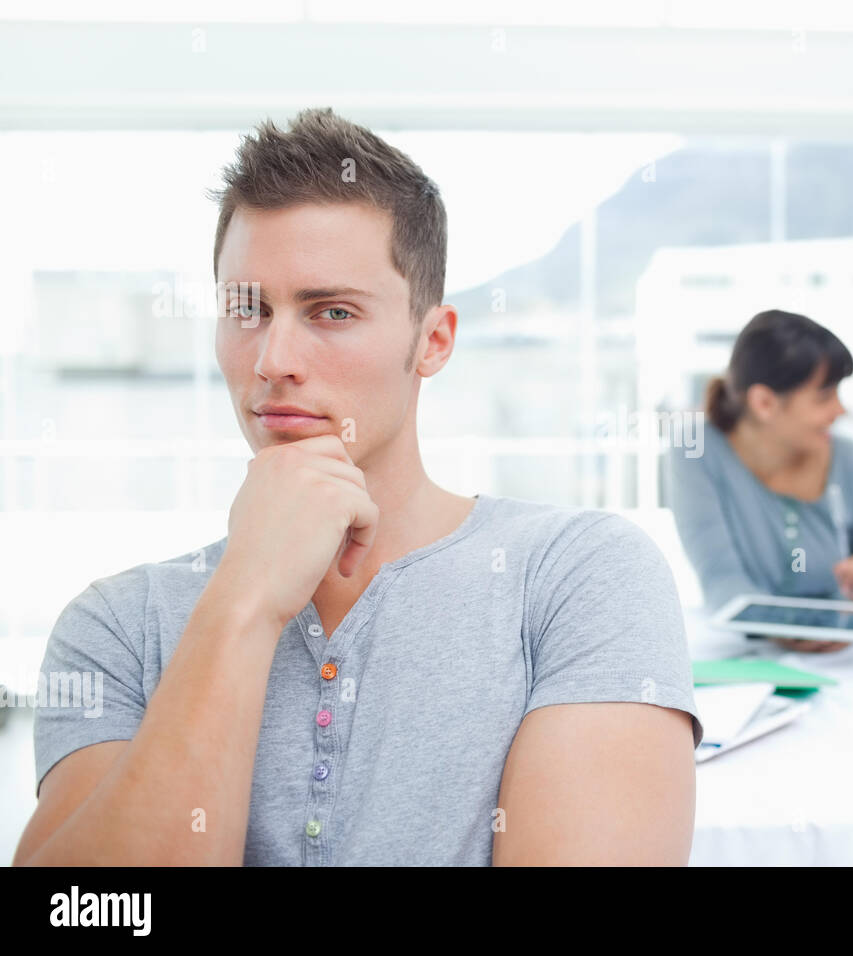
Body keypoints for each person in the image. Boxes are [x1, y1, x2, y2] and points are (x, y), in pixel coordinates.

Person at [16, 107, 702, 867]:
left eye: (331, 312)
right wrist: (245, 597)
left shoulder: (579, 576)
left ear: (432, 341)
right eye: (247, 309)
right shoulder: (116, 626)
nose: (273, 358)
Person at [667, 309, 853, 653]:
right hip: (749, 657)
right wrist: (803, 626)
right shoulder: (697, 452)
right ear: (764, 402)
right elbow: (722, 581)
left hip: (848, 661)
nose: (841, 410)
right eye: (823, 397)